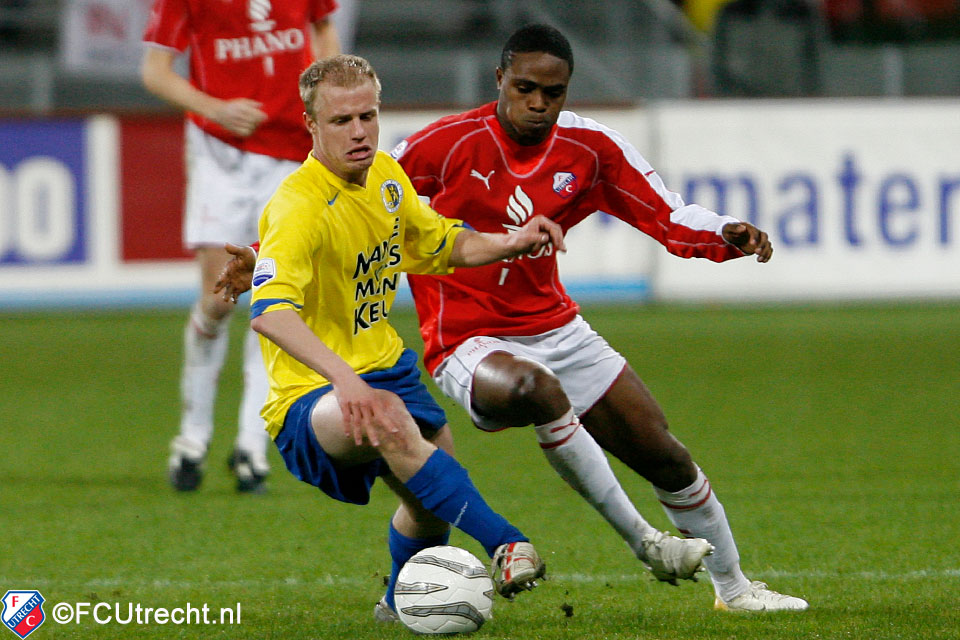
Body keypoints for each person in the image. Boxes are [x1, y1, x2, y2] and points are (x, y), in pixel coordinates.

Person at [218, 24, 809, 613]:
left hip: (519, 335)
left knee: (650, 455)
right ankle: (566, 542)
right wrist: (266, 263)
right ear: (499, 80)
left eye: (553, 92)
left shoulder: (571, 152)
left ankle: (734, 590)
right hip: (433, 350)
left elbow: (447, 242)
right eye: (525, 87)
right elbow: (304, 238)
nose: (538, 102)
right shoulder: (432, 149)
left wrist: (719, 235)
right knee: (491, 402)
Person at [248, 55, 555, 620]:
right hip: (311, 395)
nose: (359, 131)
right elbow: (269, 312)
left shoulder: (387, 177)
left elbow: (440, 243)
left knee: (429, 498)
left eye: (367, 115)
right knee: (389, 417)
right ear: (311, 125)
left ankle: (399, 605)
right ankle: (507, 544)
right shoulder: (297, 205)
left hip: (386, 368)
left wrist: (512, 240)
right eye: (341, 121)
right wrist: (345, 381)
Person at [141, 0, 341, 492]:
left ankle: (252, 445)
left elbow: (324, 33)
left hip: (292, 153)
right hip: (222, 152)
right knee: (218, 300)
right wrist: (215, 108)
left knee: (274, 297)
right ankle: (192, 437)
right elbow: (154, 70)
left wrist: (326, 98)